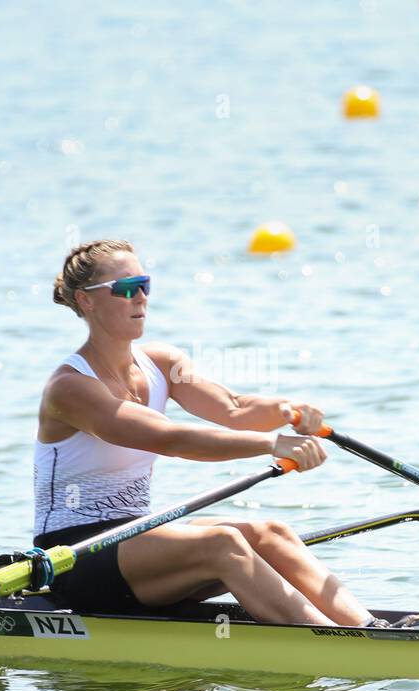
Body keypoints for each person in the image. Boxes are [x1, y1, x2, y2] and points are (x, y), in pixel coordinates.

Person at [33, 239, 383, 627]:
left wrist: (289, 410)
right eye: (126, 288)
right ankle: (330, 641)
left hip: (138, 540)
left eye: (144, 285)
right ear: (86, 300)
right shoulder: (70, 388)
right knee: (223, 543)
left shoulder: (162, 364)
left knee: (271, 532)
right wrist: (273, 443)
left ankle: (368, 630)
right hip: (75, 556)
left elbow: (234, 408)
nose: (141, 298)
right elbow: (170, 439)